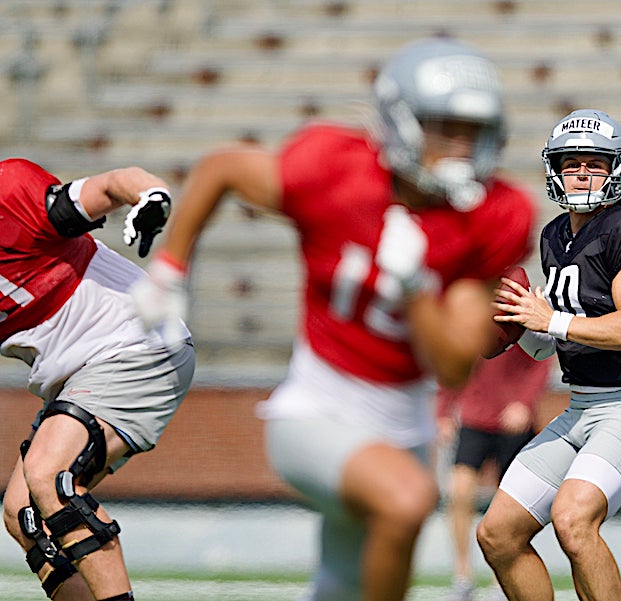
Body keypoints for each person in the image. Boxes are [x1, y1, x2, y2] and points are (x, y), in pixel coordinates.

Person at [129, 37, 535, 601]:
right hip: (317, 409)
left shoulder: (493, 215)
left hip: (406, 427)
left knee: (344, 584)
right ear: (402, 121)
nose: (464, 147)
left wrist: (415, 288)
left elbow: (451, 366)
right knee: (409, 499)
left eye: (475, 130)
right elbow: (222, 168)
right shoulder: (335, 170)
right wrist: (168, 269)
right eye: (447, 127)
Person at [475, 108, 621, 600]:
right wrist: (519, 326)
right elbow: (554, 341)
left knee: (573, 520)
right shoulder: (555, 235)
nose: (580, 172)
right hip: (580, 406)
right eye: (570, 161)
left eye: (593, 163)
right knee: (498, 534)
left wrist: (548, 319)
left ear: (617, 168)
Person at [0, 158, 194, 601]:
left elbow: (111, 184)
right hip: (83, 371)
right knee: (22, 514)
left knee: (50, 476)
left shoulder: (10, 196)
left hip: (136, 344)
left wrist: (150, 196)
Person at [436, 346, 554, 601]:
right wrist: (444, 412)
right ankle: (462, 577)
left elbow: (542, 359)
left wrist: (524, 402)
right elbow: (453, 358)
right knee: (458, 492)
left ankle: (501, 579)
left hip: (514, 424)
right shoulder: (469, 313)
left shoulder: (519, 309)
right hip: (473, 420)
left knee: (512, 506)